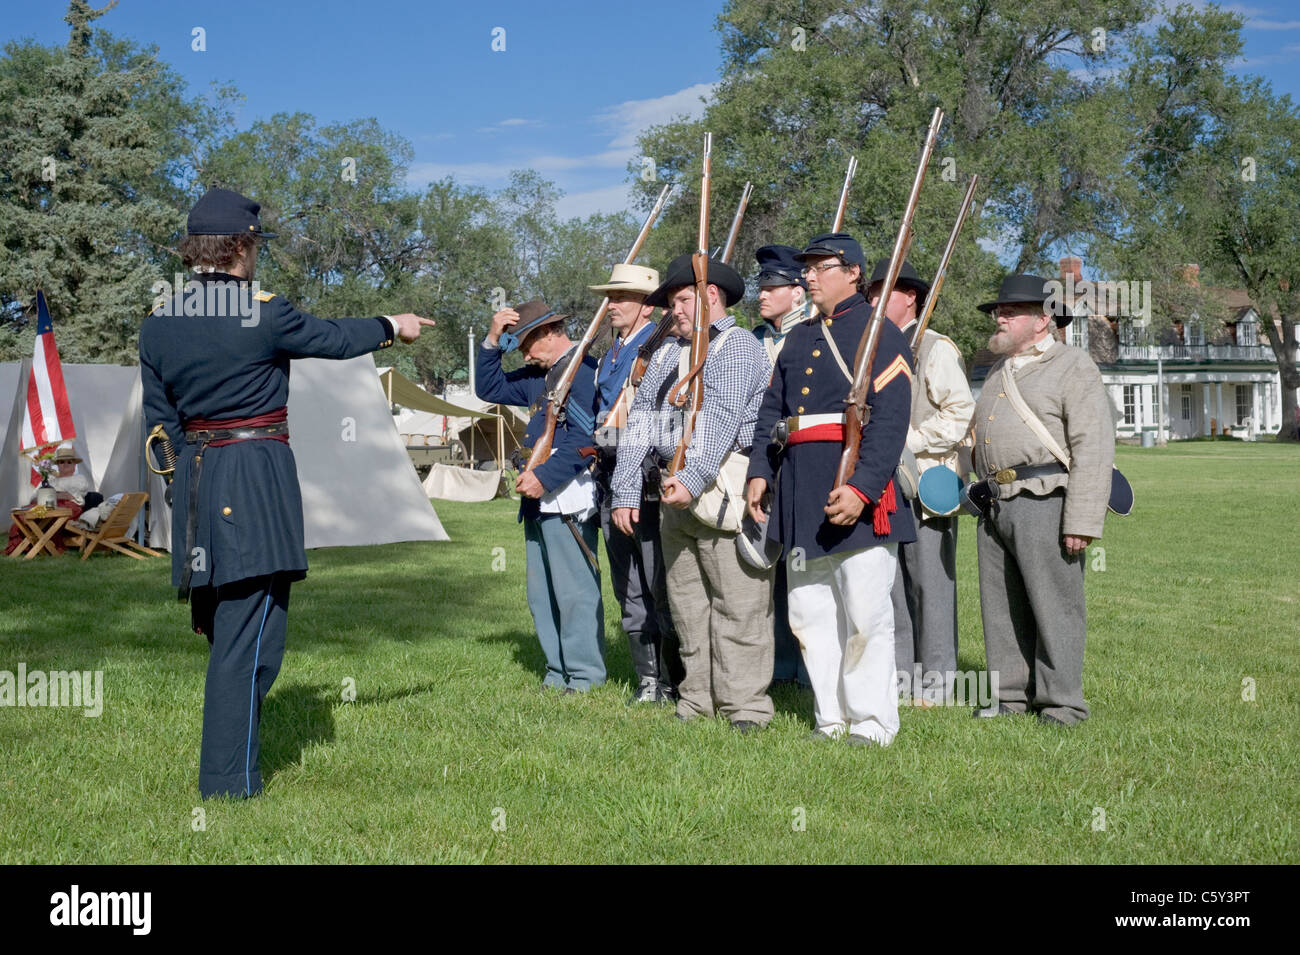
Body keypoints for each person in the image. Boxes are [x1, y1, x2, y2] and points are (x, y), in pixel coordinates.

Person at [139, 186, 433, 799]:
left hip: (196, 480)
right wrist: (392, 326)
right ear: (241, 247)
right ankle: (226, 784)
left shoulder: (159, 321)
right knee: (246, 636)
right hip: (252, 477)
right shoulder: (263, 312)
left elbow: (159, 427)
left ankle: (236, 747)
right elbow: (331, 338)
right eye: (254, 247)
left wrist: (179, 499)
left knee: (251, 629)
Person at [746, 233, 916, 746]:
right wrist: (760, 469)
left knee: (865, 615)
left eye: (821, 268)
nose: (809, 277)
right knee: (810, 614)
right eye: (808, 268)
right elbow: (772, 413)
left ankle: (872, 722)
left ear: (854, 273)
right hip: (801, 490)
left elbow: (890, 423)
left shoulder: (881, 334)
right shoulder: (797, 339)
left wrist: (863, 489)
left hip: (857, 495)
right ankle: (831, 717)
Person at [611, 253, 775, 732]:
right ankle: (696, 701)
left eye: (682, 300)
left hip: (721, 485)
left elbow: (719, 418)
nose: (673, 311)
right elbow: (639, 422)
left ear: (710, 297)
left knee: (737, 604)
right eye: (671, 302)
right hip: (673, 490)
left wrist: (693, 475)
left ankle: (745, 708)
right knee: (686, 605)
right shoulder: (665, 354)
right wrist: (624, 489)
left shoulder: (738, 347)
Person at [970, 273, 1115, 726]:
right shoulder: (998, 369)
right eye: (999, 311)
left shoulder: (1074, 366)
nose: (1000, 317)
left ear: (1043, 319)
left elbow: (1094, 444)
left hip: (1045, 498)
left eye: (1010, 312)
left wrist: (1083, 520)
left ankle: (1062, 702)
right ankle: (1009, 696)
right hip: (995, 500)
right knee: (1001, 606)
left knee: (1055, 605)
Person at [476, 299, 606, 694]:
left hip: (567, 495)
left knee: (574, 592)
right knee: (541, 593)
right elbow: (488, 387)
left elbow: (585, 440)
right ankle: (556, 671)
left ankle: (584, 676)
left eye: (528, 343)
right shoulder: (540, 375)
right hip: (538, 496)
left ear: (551, 333)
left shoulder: (584, 371)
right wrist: (493, 338)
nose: (524, 354)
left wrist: (544, 478)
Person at [865, 259, 975, 706]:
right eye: (871, 293)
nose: (873, 300)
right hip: (882, 482)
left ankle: (938, 681)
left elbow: (959, 412)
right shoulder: (872, 348)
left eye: (882, 293)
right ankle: (899, 677)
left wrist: (905, 438)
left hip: (927, 482)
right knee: (889, 584)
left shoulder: (935, 347)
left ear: (909, 297)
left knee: (929, 584)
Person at [589, 264, 682, 704]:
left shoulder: (661, 346)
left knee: (658, 583)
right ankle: (648, 681)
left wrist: (612, 437)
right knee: (627, 584)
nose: (612, 305)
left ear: (647, 305)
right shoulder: (612, 353)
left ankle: (673, 681)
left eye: (622, 297)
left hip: (645, 478)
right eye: (611, 296)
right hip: (611, 476)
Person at [752, 245, 813, 690]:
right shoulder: (756, 340)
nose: (762, 293)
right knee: (768, 567)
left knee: (806, 570)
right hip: (761, 462)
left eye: (773, 286)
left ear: (797, 292)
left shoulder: (811, 334)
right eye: (761, 285)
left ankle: (810, 670)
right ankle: (778, 666)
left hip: (801, 461)